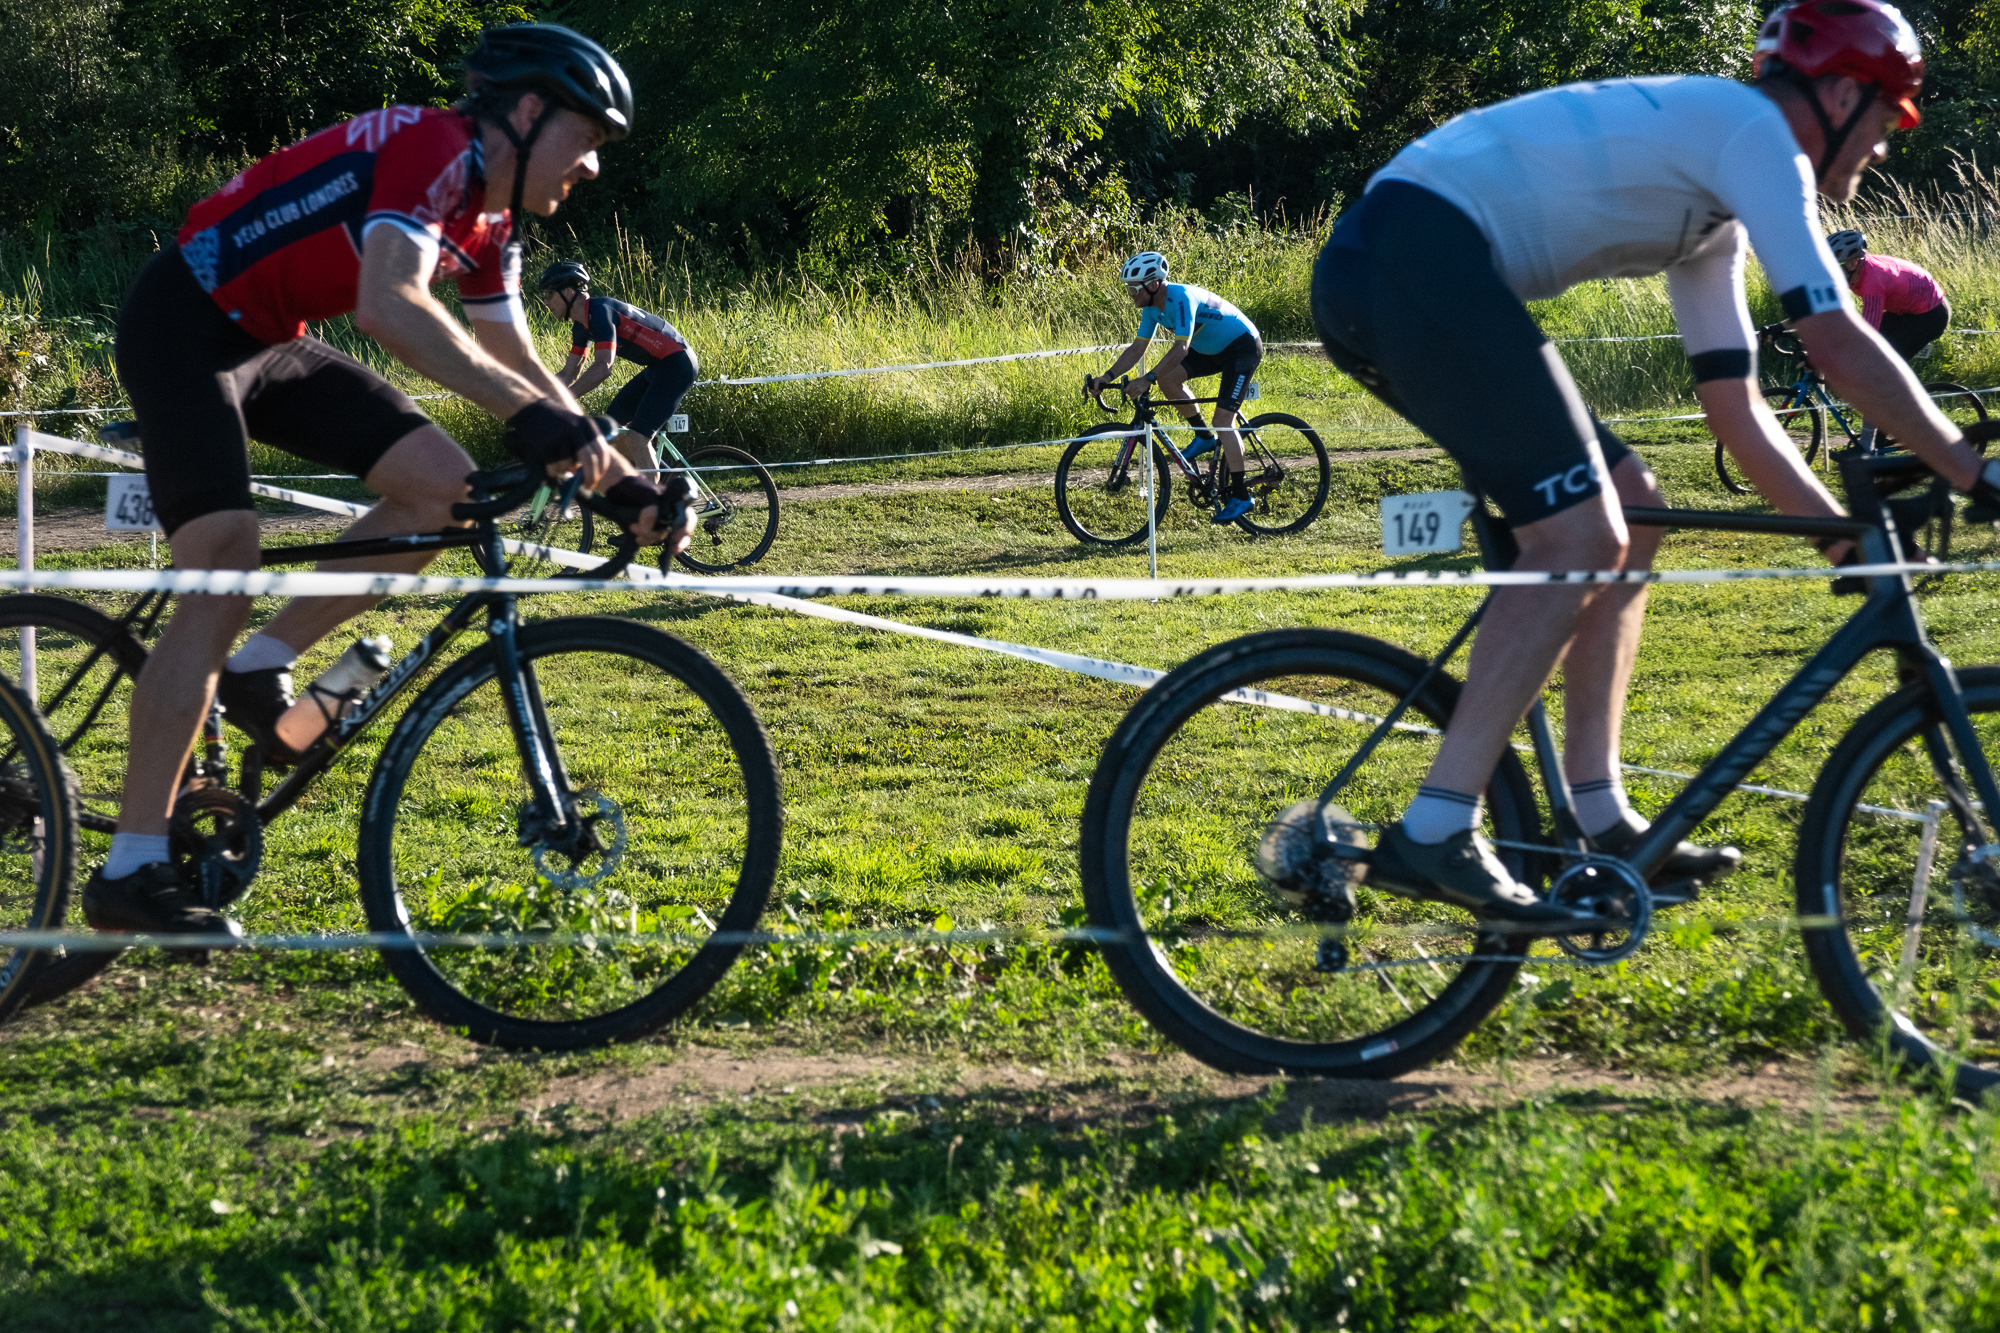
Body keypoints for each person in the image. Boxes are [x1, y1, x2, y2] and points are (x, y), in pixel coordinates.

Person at [1309, 0, 1997, 923]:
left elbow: (1735, 409)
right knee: (1581, 534)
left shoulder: (1716, 207)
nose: (1883, 145)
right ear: (1841, 93)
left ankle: (1600, 818)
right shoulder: (1756, 134)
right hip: (1408, 255)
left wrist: (1838, 538)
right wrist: (1970, 469)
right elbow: (1832, 337)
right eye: (1888, 115)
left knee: (1633, 505)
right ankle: (1436, 827)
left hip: (1408, 263)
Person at [86, 24, 695, 941]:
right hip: (184, 322)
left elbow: (516, 360)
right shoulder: (434, 148)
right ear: (529, 112)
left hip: (268, 339)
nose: (594, 165)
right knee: (224, 561)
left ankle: (257, 667)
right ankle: (130, 867)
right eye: (588, 136)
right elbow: (390, 304)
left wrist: (617, 483)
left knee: (445, 488)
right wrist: (540, 423)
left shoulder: (490, 219)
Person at [1086, 253, 1266, 523]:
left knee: (1223, 420)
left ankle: (1241, 495)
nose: (1130, 294)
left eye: (1133, 288)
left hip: (1242, 347)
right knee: (1169, 380)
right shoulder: (1151, 309)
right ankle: (1203, 437)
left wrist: (1147, 378)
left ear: (1153, 285)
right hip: (1211, 348)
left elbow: (1181, 348)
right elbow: (1137, 348)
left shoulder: (1181, 298)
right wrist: (1107, 376)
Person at [537, 261, 699, 473]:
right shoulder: (581, 326)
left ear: (568, 292)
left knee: (637, 438)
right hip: (658, 367)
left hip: (677, 364)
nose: (546, 302)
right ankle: (669, 479)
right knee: (611, 430)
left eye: (550, 294)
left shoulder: (600, 312)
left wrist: (563, 400)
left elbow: (603, 367)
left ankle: (654, 493)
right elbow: (569, 373)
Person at [1825, 228, 1949, 363]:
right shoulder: (1856, 270)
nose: (1831, 271)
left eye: (1837, 266)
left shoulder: (1873, 282)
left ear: (1853, 263)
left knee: (1883, 362)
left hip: (1930, 316)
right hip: (1906, 310)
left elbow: (1868, 330)